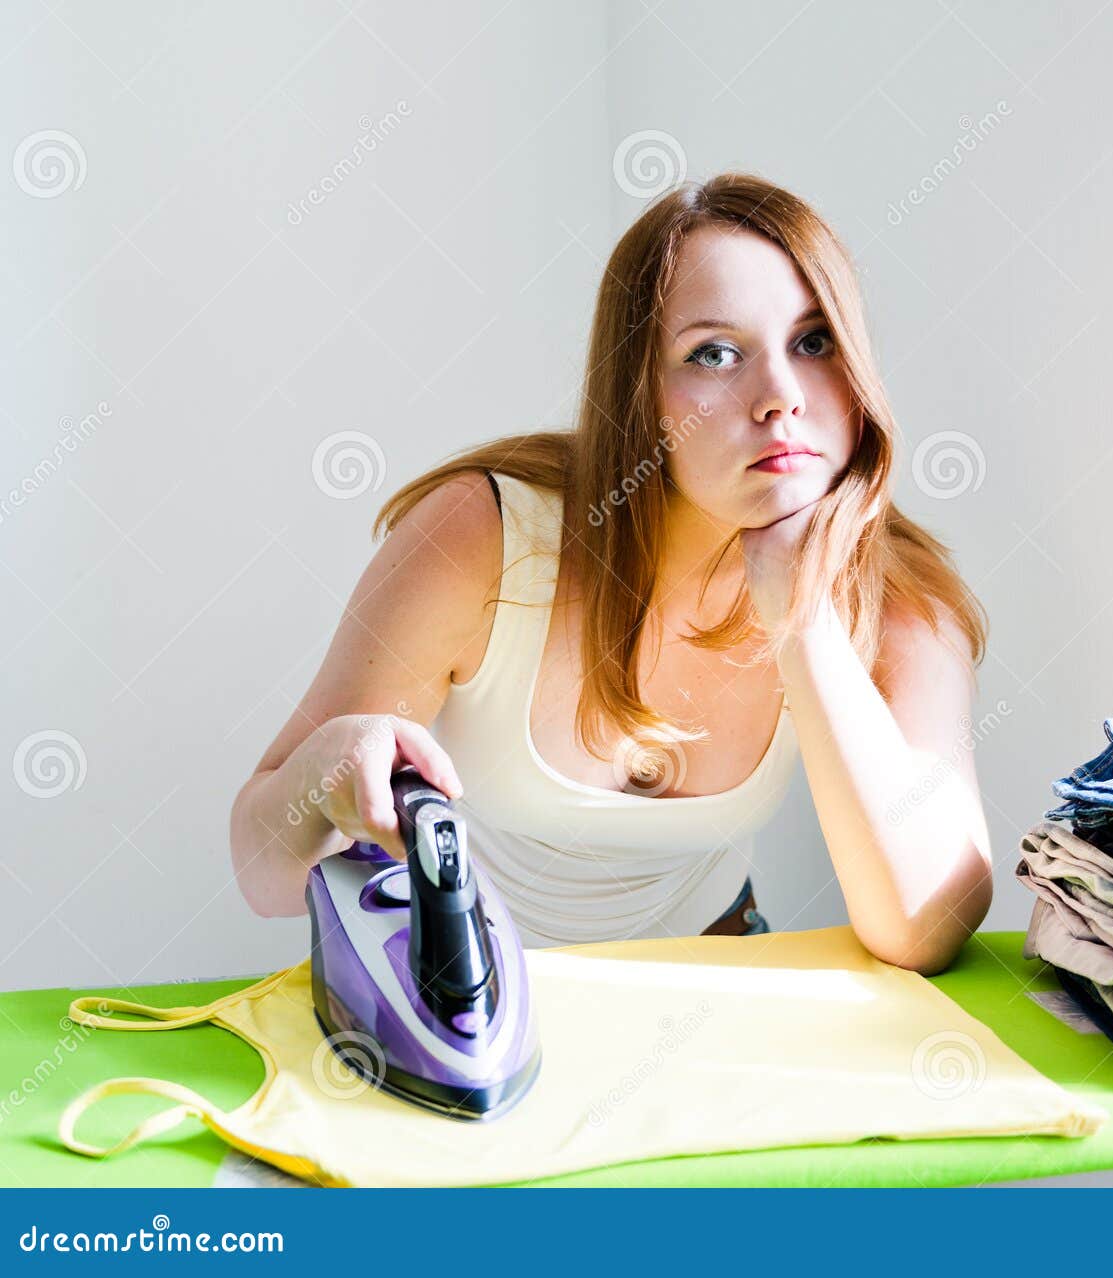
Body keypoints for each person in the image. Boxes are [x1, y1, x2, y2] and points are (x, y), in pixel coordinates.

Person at [229, 172, 992, 974]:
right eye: (715, 354)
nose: (780, 398)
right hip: (475, 1004)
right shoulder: (484, 536)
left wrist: (799, 614)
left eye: (814, 342)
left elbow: (925, 929)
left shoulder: (897, 594)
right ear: (639, 395)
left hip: (716, 997)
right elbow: (262, 876)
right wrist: (326, 767)